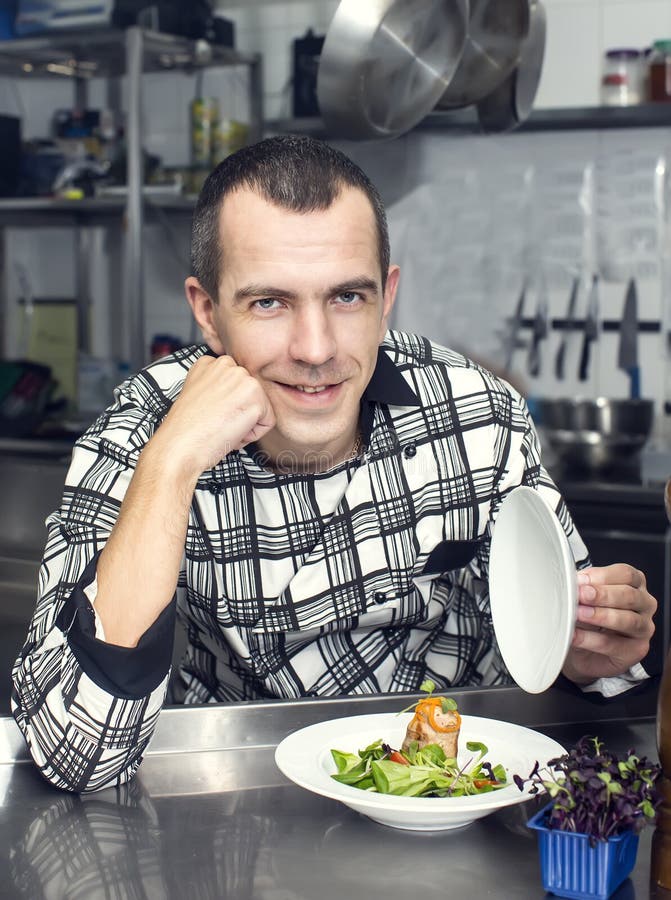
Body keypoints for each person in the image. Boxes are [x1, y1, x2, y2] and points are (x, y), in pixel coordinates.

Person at [11, 135, 656, 793]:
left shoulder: (478, 413)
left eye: (347, 297)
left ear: (387, 297)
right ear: (207, 313)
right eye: (269, 302)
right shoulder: (137, 433)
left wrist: (592, 651)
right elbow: (79, 757)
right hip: (235, 803)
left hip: (459, 794)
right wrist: (170, 465)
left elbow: (586, 672)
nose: (315, 349)